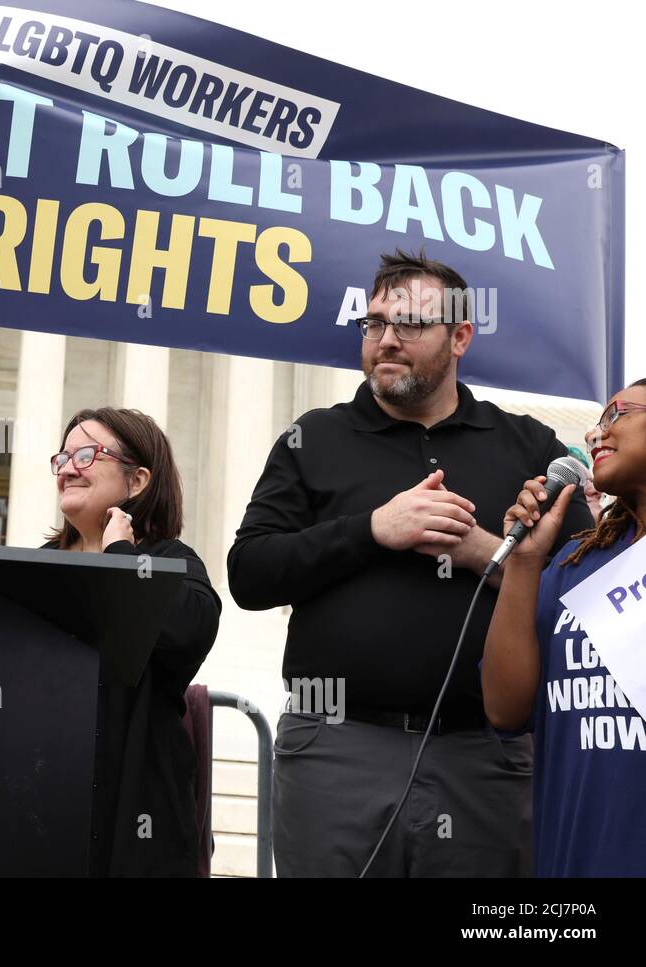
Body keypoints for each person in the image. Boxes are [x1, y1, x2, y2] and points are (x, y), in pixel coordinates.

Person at [227, 249, 594, 876]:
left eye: (409, 325)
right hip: (335, 753)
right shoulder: (312, 438)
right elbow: (250, 573)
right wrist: (372, 529)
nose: (385, 340)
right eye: (373, 324)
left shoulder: (528, 445)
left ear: (460, 337)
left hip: (488, 760)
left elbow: (587, 591)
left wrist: (483, 551)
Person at [43, 407, 220, 876]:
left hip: (136, 809)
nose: (68, 468)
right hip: (44, 796)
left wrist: (120, 557)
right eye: (62, 458)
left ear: (137, 480)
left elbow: (188, 632)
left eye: (86, 454)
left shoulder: (171, 561)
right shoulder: (39, 564)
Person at [483, 379, 646, 876]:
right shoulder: (576, 564)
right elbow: (506, 710)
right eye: (598, 419)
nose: (598, 432)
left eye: (617, 414)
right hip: (571, 856)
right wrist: (527, 564)